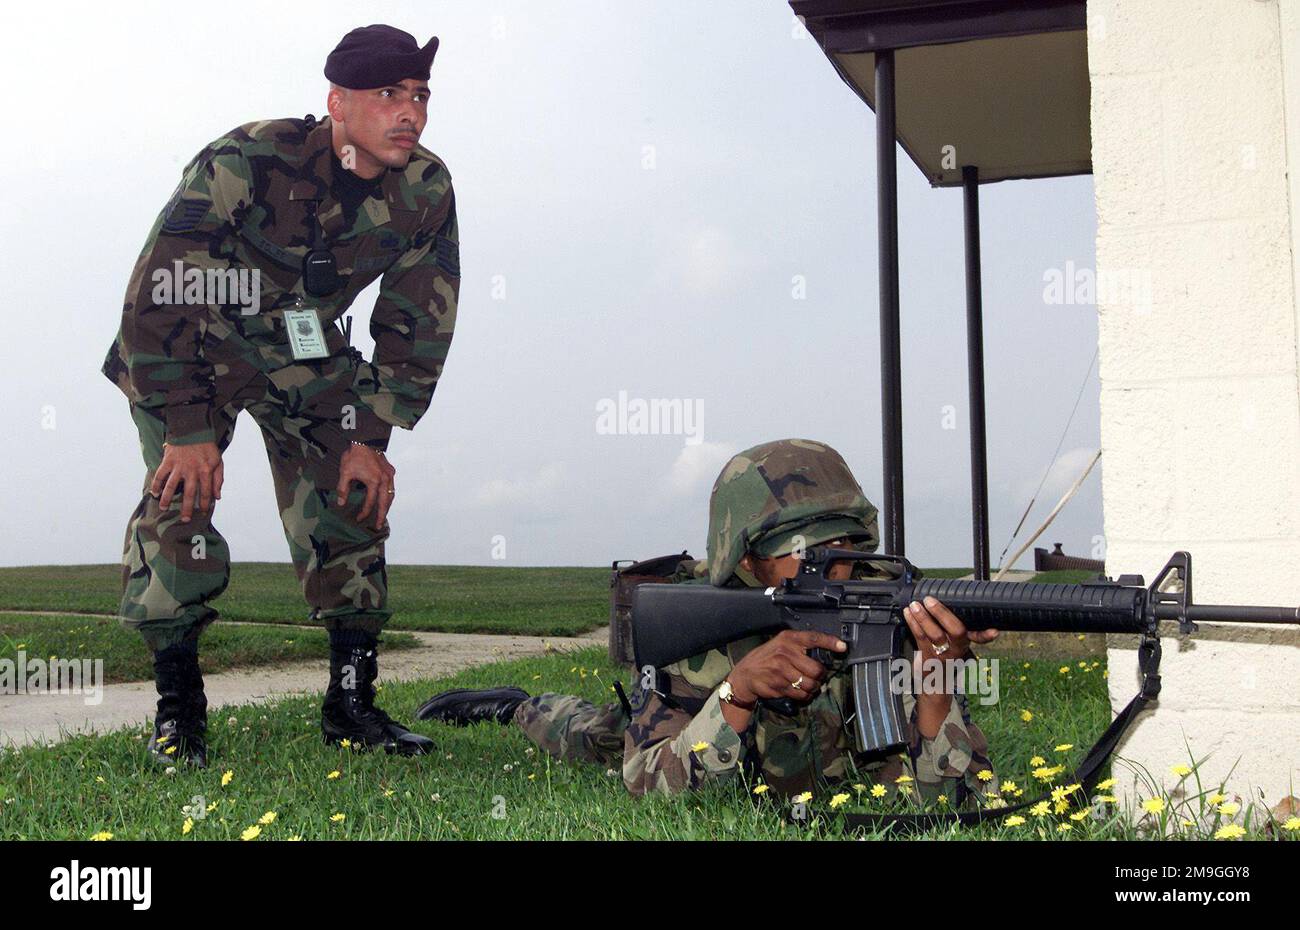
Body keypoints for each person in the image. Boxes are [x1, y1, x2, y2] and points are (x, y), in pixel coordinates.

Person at [102, 24, 461, 766]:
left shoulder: (425, 188)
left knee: (353, 495)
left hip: (303, 348)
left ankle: (352, 706)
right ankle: (179, 712)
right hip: (193, 349)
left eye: (420, 94)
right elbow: (157, 292)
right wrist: (186, 426)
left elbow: (416, 321)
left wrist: (372, 435)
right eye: (389, 95)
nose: (412, 113)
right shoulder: (246, 161)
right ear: (337, 103)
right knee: (181, 502)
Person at [418, 439, 999, 803]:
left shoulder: (894, 618)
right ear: (744, 558)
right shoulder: (701, 627)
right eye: (806, 548)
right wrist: (737, 691)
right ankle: (516, 703)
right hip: (672, 721)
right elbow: (648, 782)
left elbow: (964, 793)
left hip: (813, 761)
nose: (836, 565)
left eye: (845, 545)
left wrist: (936, 682)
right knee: (591, 734)